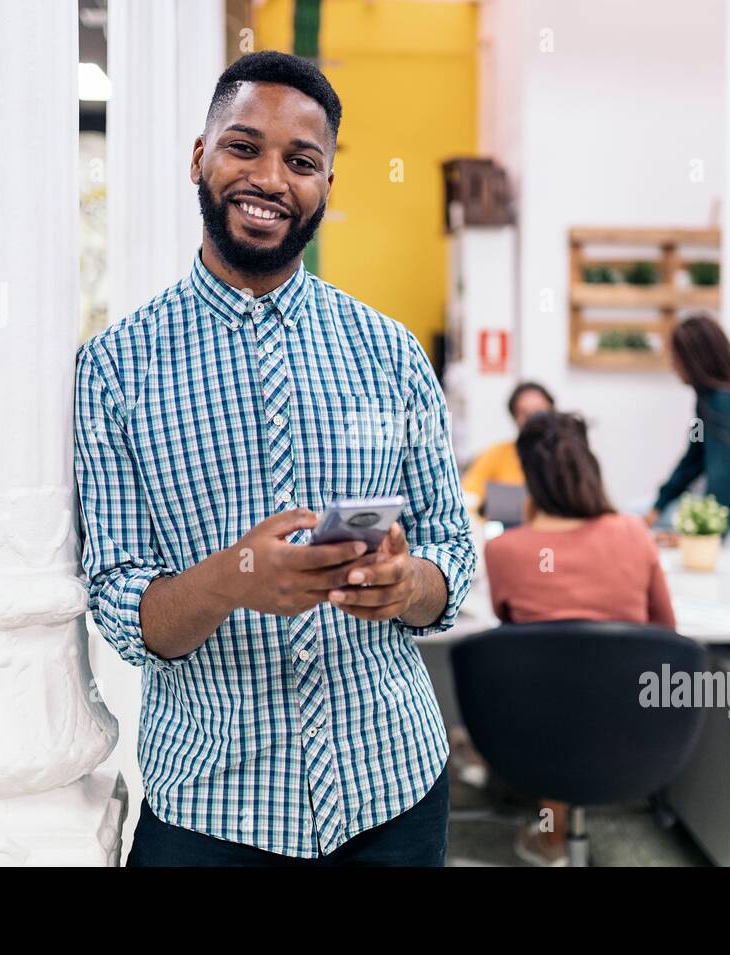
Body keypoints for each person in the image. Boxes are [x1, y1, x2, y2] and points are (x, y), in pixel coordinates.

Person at [74, 51, 475, 867]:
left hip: (393, 793)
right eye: (243, 147)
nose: (270, 178)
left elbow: (453, 555)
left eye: (301, 161)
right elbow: (120, 603)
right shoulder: (116, 366)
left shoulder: (390, 353)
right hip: (211, 811)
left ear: (327, 186)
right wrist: (234, 578)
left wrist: (407, 586)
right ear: (200, 156)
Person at [484, 411, 675, 865]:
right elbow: (666, 630)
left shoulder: (503, 551)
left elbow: (512, 631)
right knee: (581, 688)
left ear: (528, 478)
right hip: (636, 728)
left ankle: (553, 835)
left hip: (537, 739)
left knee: (550, 687)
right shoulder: (634, 533)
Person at [645, 314, 730, 538]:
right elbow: (693, 456)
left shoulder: (722, 402)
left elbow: (726, 477)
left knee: (630, 514)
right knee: (640, 513)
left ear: (694, 359)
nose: (672, 365)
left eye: (676, 357)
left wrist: (700, 536)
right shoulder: (708, 400)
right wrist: (660, 504)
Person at [460, 381, 555, 506]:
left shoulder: (567, 456)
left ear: (553, 412)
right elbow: (468, 495)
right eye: (526, 414)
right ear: (515, 418)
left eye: (539, 412)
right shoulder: (497, 454)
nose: (534, 421)